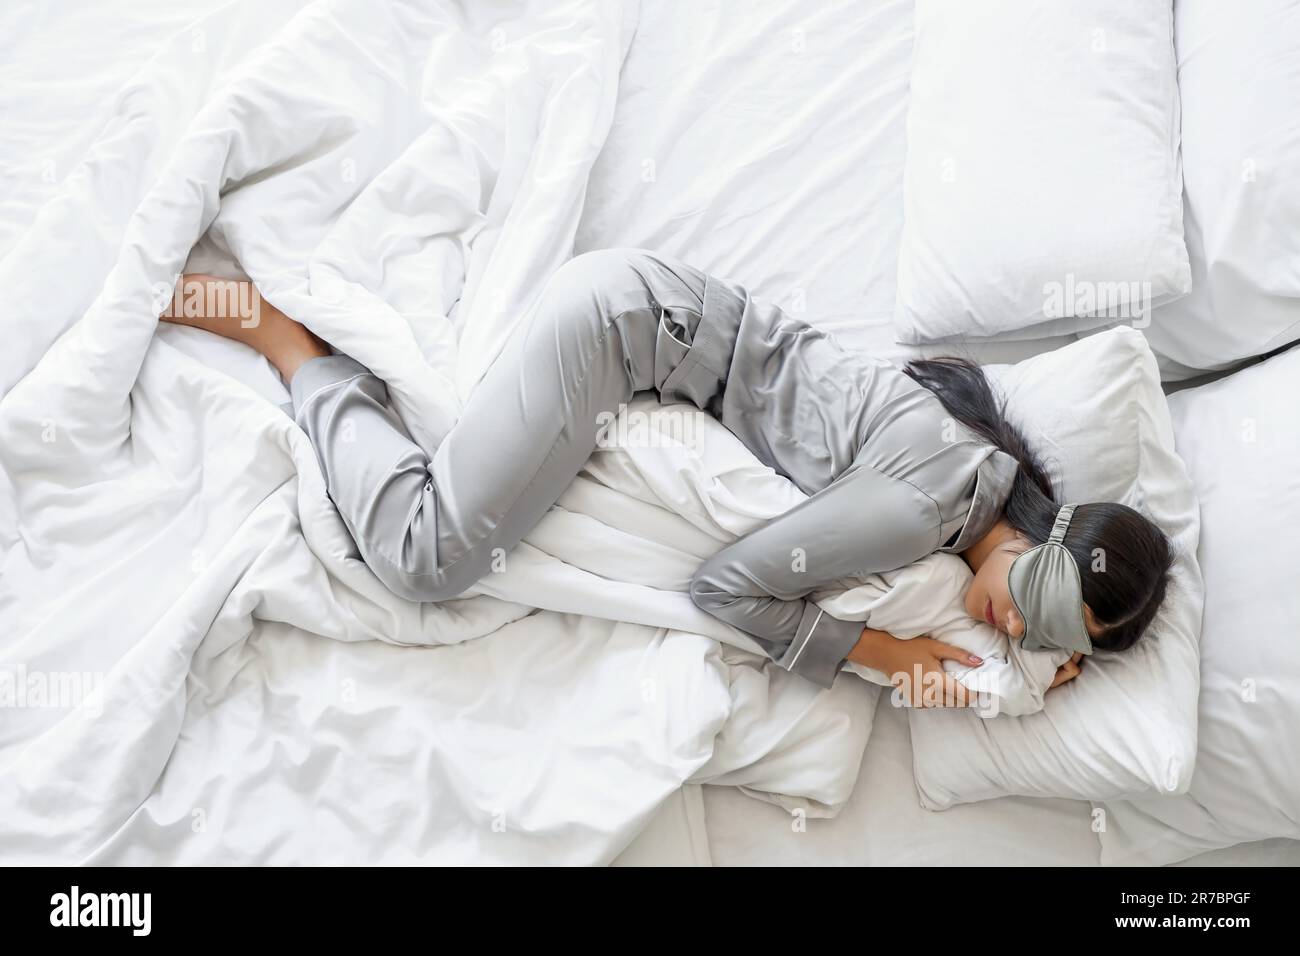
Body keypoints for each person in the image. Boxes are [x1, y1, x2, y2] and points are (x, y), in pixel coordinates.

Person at [161, 248, 1173, 706]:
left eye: (1042, 646)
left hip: (646, 309)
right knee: (427, 559)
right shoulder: (924, 505)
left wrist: (1059, 639)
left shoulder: (976, 470)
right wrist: (887, 649)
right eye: (1036, 615)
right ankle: (283, 338)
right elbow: (726, 585)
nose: (1011, 635)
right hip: (620, 332)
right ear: (1049, 540)